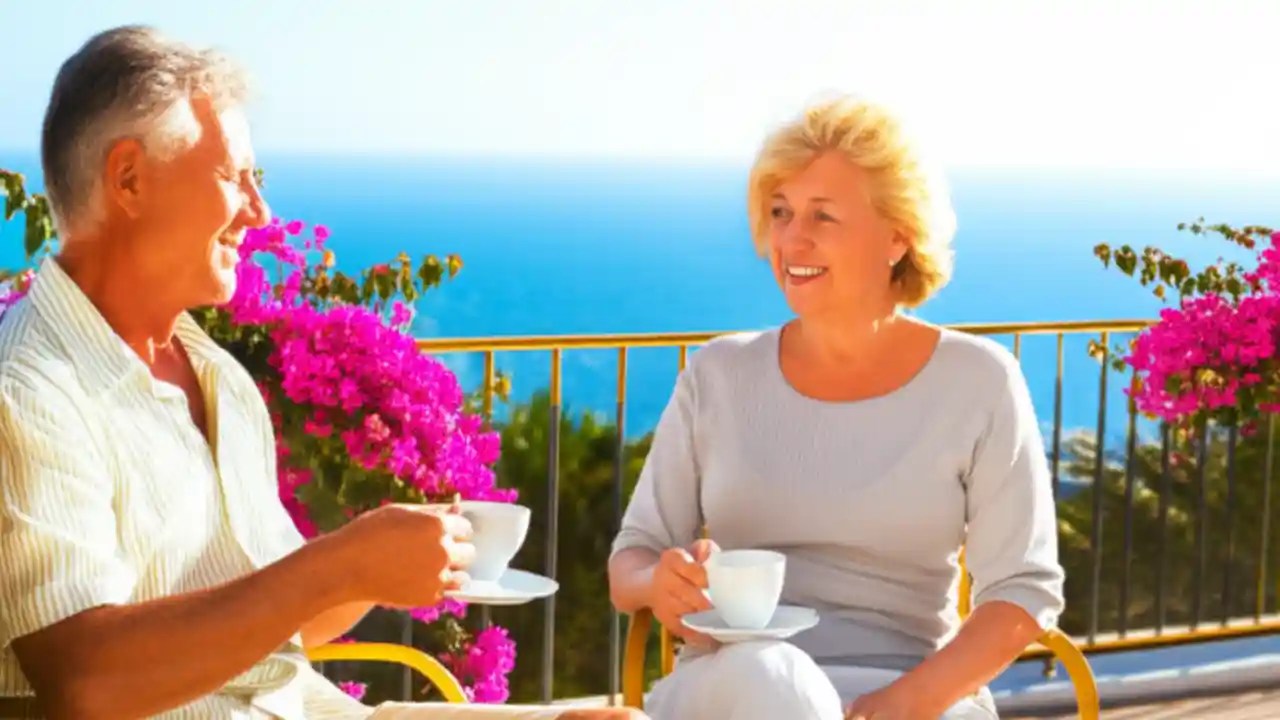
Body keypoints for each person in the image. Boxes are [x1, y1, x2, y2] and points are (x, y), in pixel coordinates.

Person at [0, 26, 641, 720]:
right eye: (233, 176)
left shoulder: (217, 378)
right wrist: (335, 565)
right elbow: (86, 686)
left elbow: (276, 629)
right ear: (128, 179)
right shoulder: (29, 390)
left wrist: (376, 559)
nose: (260, 212)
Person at [608, 95, 1066, 720]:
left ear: (897, 237)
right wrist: (658, 582)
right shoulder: (719, 375)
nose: (791, 238)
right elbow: (631, 558)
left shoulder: (979, 382)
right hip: (736, 686)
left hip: (916, 695)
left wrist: (907, 703)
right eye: (780, 212)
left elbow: (1022, 591)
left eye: (823, 216)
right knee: (773, 674)